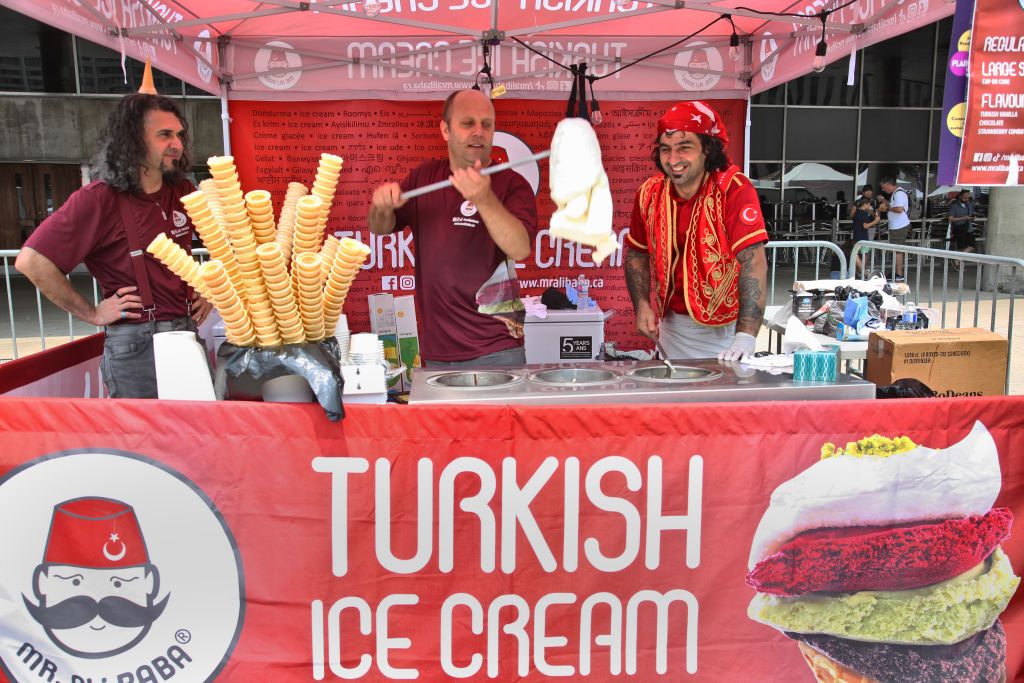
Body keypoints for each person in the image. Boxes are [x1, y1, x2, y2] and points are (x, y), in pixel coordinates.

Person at [15, 81, 211, 398]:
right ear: (133, 140)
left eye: (179, 135)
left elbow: (225, 244)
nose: (177, 144)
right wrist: (92, 313)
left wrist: (209, 290)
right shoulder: (98, 199)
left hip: (185, 332)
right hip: (136, 344)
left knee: (200, 436)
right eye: (165, 135)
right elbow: (31, 262)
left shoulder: (183, 192)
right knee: (146, 442)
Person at [368, 89, 538, 367]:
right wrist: (381, 207)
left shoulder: (511, 184)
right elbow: (380, 228)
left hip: (495, 349)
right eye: (468, 123)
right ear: (445, 130)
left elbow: (519, 248)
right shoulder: (424, 177)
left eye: (487, 124)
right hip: (437, 352)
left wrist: (484, 199)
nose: (479, 132)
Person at [624, 101, 768, 361]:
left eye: (685, 148)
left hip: (725, 334)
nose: (673, 159)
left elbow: (753, 262)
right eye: (666, 150)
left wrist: (746, 333)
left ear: (708, 150)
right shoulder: (649, 192)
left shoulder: (733, 189)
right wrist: (642, 304)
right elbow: (637, 253)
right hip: (670, 329)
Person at [879, 177, 909, 281]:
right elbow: (894, 206)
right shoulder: (896, 193)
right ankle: (897, 272)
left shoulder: (899, 193)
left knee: (898, 251)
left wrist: (887, 208)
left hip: (899, 226)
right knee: (897, 250)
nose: (883, 190)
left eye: (884, 187)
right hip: (896, 226)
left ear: (888, 184)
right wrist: (883, 200)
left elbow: (899, 209)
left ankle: (899, 275)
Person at [849, 195, 878, 276]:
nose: (869, 206)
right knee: (865, 254)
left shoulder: (856, 213)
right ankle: (863, 272)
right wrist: (875, 221)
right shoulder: (864, 214)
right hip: (863, 238)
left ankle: (857, 272)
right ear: (865, 204)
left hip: (856, 237)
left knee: (856, 255)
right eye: (869, 204)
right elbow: (865, 226)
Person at [948, 189, 977, 268]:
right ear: (960, 196)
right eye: (965, 198)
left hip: (969, 228)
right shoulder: (954, 206)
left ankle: (956, 260)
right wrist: (964, 218)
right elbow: (950, 219)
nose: (966, 200)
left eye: (967, 198)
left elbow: (972, 215)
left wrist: (972, 218)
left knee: (972, 245)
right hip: (959, 228)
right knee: (961, 247)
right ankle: (957, 263)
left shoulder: (969, 205)